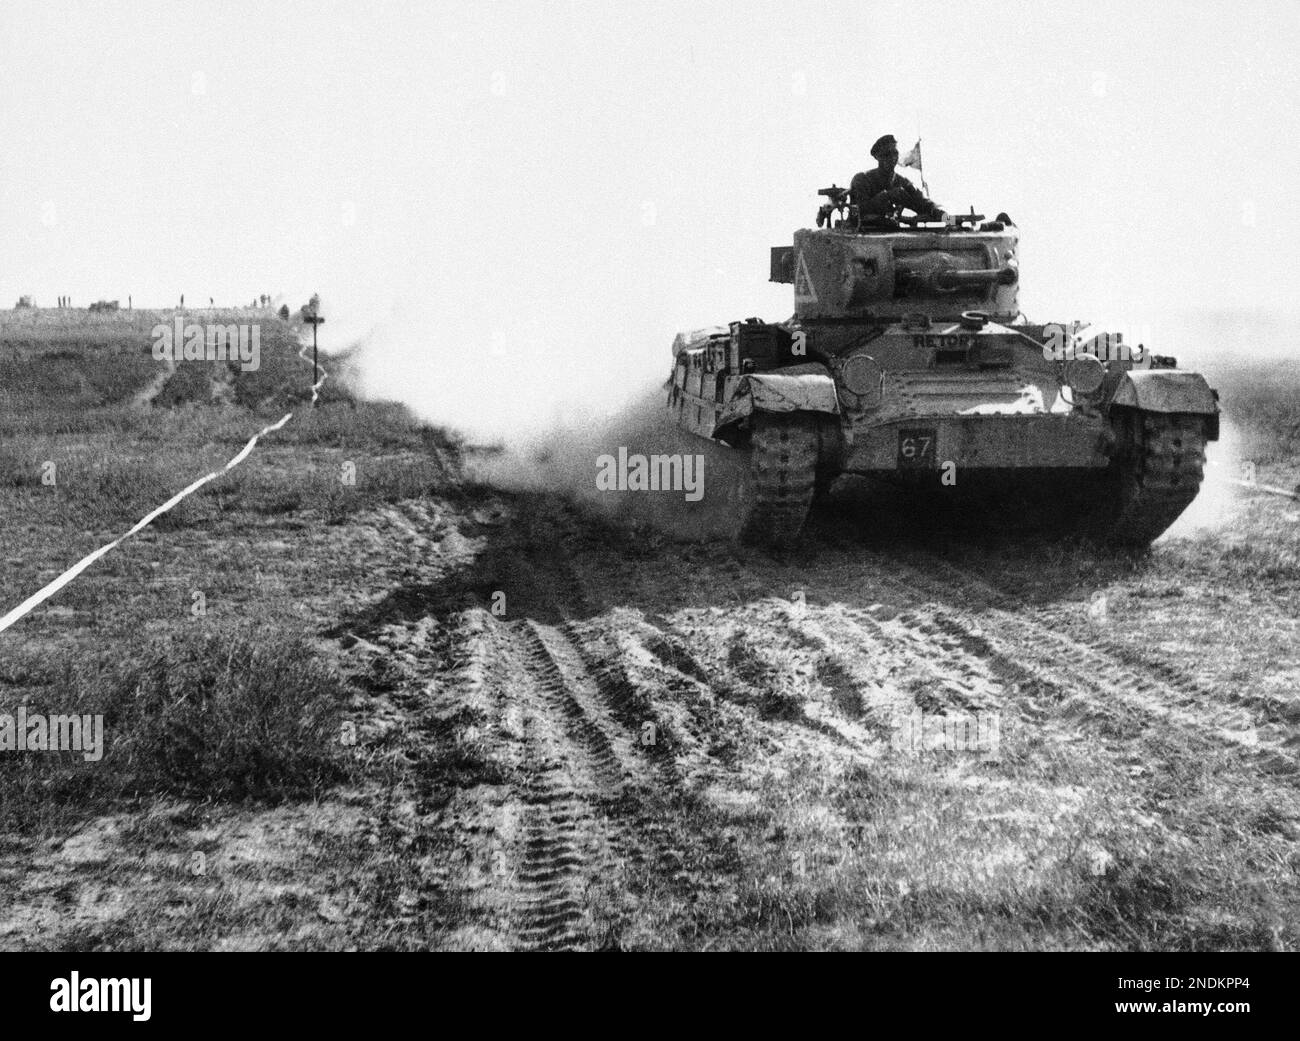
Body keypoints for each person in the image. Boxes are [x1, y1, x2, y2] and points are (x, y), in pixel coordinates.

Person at [850, 135, 944, 220]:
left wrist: (942, 214)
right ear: (877, 157)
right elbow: (857, 212)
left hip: (892, 234)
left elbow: (925, 204)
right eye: (886, 155)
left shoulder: (903, 183)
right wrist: (887, 196)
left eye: (895, 154)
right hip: (862, 234)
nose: (892, 158)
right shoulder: (862, 180)